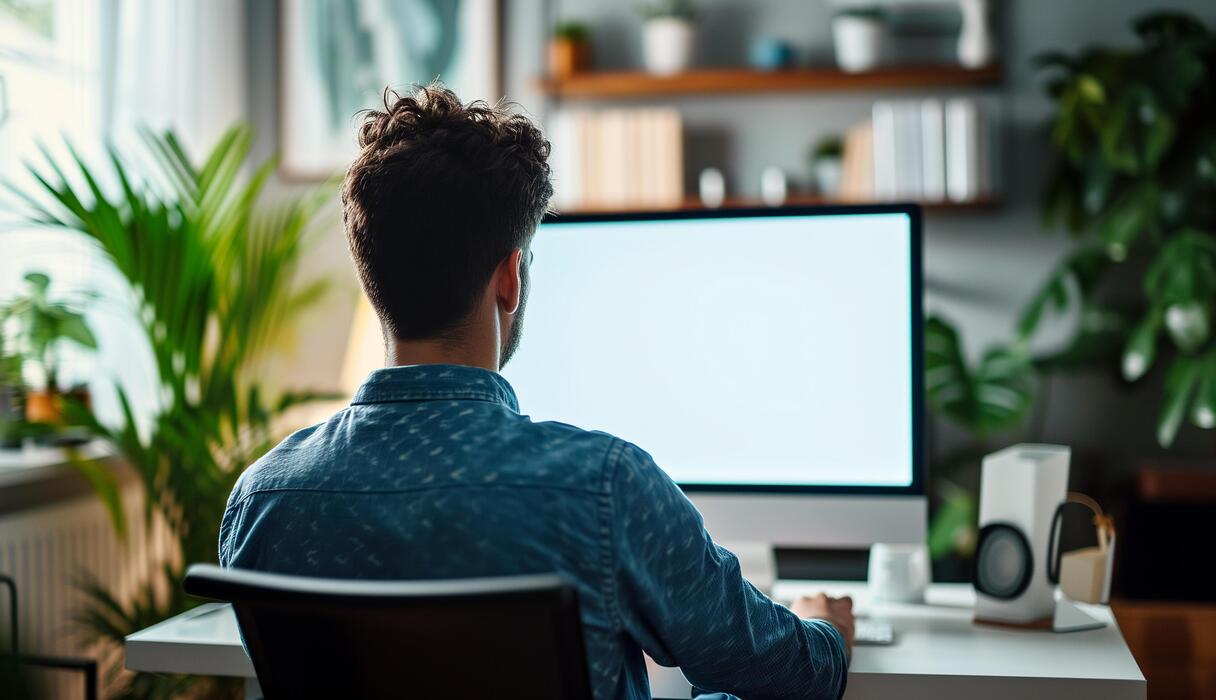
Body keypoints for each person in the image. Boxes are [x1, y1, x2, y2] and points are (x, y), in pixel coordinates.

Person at [219, 82, 853, 700]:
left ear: (372, 275)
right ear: (509, 280)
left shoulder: (263, 501)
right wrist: (826, 631)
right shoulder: (606, 488)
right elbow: (787, 673)